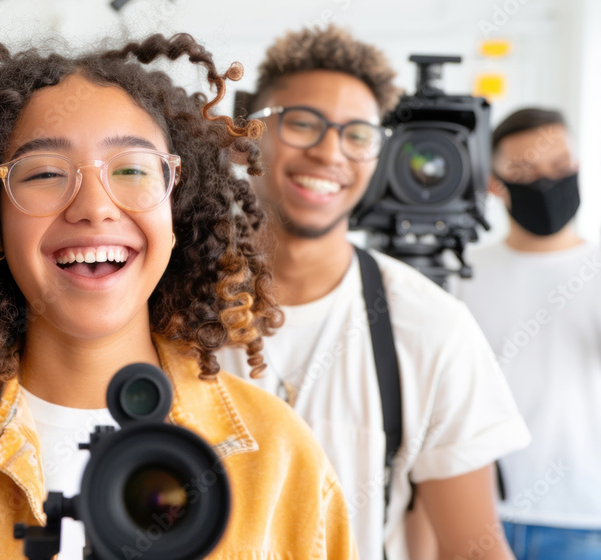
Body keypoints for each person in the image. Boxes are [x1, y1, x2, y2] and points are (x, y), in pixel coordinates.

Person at [0, 34, 358, 559]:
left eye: (133, 169)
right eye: (43, 173)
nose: (94, 206)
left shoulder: (279, 457)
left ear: (177, 208)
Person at [218, 25, 530, 559]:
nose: (328, 152)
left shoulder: (433, 327)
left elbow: (474, 549)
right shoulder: (166, 301)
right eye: (301, 123)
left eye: (357, 134)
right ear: (251, 131)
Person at [458, 108, 601, 559]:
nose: (546, 181)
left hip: (582, 517)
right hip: (475, 511)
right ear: (494, 183)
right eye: (524, 170)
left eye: (559, 168)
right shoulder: (461, 275)